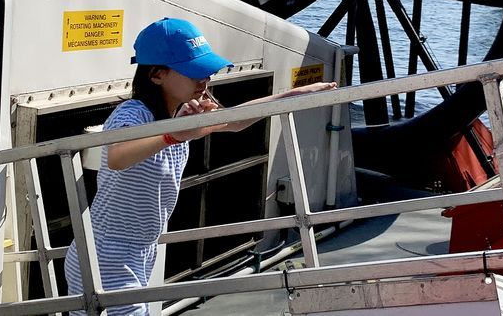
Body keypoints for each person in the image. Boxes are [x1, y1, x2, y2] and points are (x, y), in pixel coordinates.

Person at [63, 18, 337, 316]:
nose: (204, 80)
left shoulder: (180, 116)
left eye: (206, 71)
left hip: (139, 250)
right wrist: (174, 135)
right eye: (194, 72)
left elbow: (234, 121)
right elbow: (117, 156)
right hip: (106, 252)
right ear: (157, 75)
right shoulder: (133, 113)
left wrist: (292, 96)